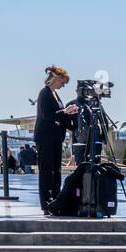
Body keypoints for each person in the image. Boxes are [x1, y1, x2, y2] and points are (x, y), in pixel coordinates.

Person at [34, 65, 79, 214]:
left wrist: (71, 114)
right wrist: (64, 111)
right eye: (63, 81)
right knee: (47, 171)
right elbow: (47, 115)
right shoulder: (44, 93)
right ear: (56, 78)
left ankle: (55, 200)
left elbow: (59, 115)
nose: (63, 85)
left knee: (56, 171)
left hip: (55, 138)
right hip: (45, 138)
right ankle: (46, 203)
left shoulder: (56, 95)